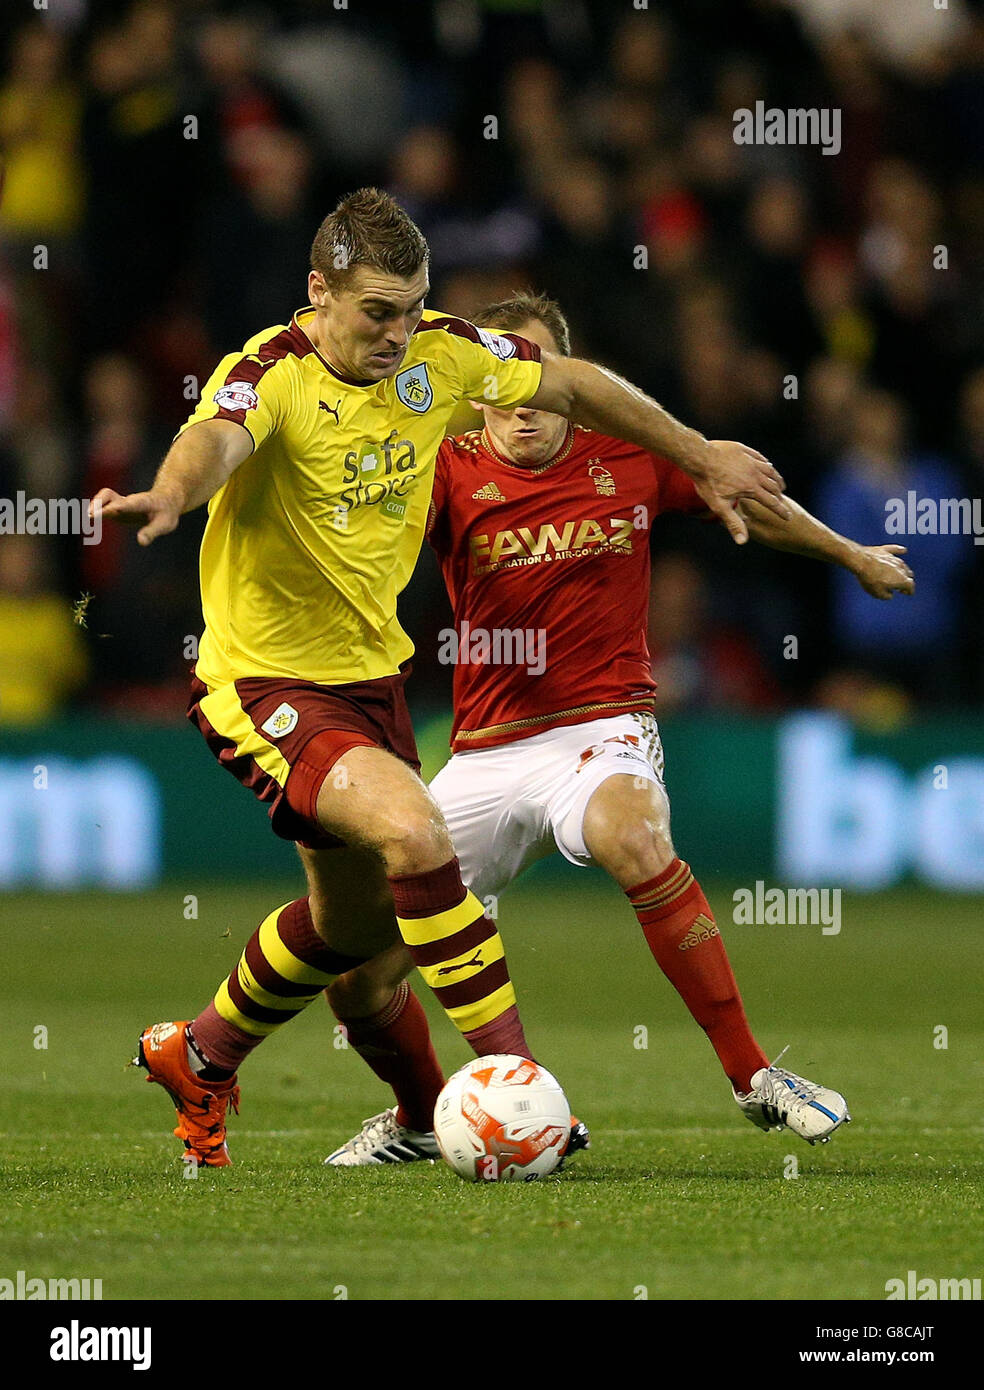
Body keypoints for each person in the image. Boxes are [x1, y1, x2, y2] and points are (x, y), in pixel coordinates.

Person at [91, 190, 788, 1167]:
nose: (398, 331)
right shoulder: (269, 373)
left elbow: (577, 386)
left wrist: (699, 452)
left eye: (412, 307)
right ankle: (522, 1087)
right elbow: (217, 439)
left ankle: (201, 1053)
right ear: (319, 294)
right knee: (418, 833)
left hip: (369, 681)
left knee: (352, 922)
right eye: (377, 310)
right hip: (262, 682)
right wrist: (169, 491)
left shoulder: (443, 353)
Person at [320, 292, 914, 1166]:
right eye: (501, 383)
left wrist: (853, 555)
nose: (522, 403)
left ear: (568, 386)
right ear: (478, 390)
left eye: (540, 383)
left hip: (599, 729)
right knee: (358, 979)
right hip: (484, 750)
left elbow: (746, 497)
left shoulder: (629, 457)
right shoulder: (444, 473)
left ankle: (754, 1078)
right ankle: (415, 1116)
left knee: (629, 835)